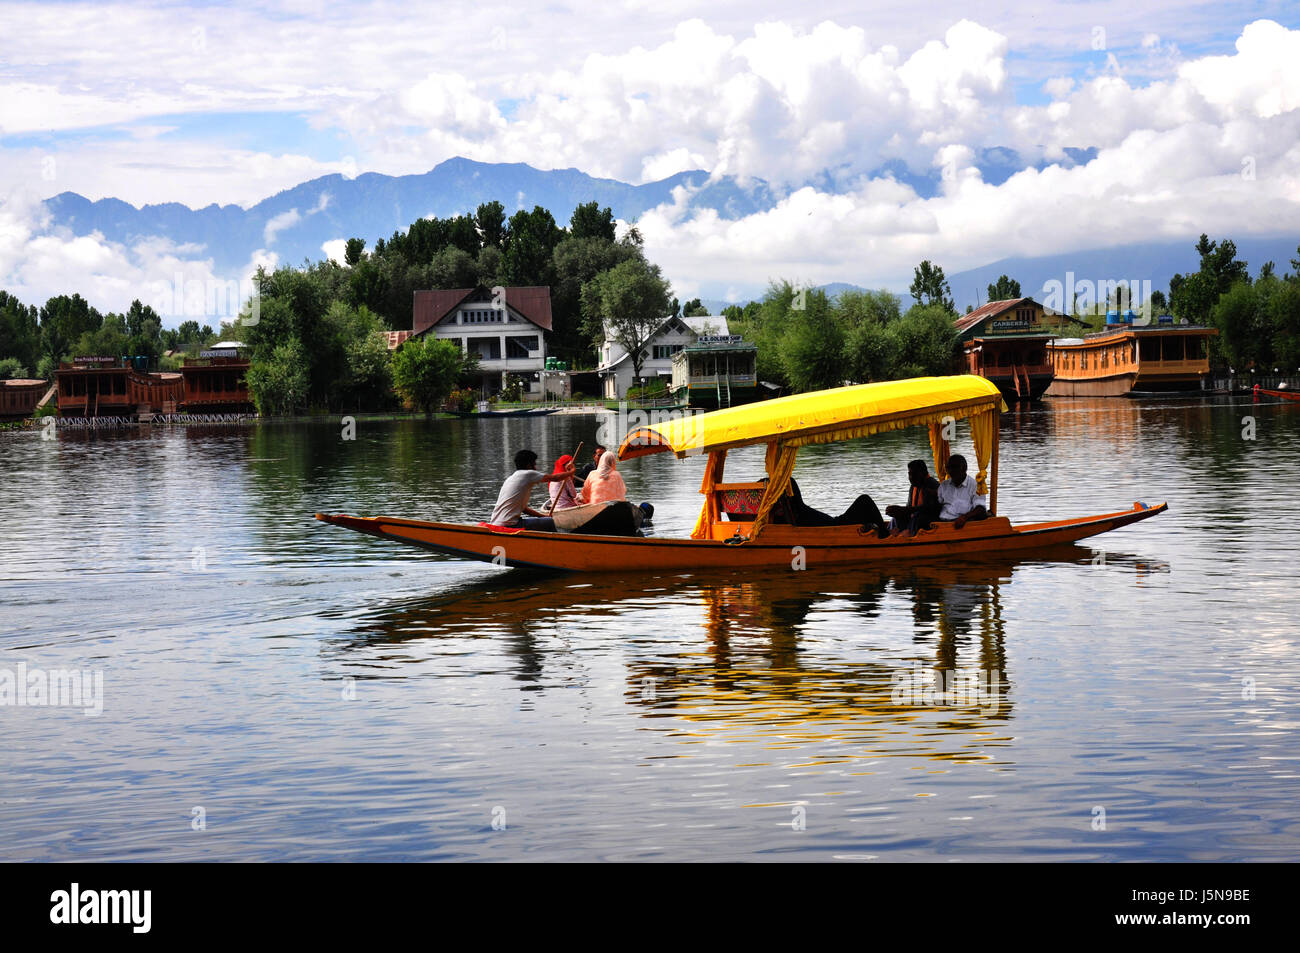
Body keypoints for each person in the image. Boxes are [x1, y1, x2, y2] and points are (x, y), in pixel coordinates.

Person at [487, 449, 575, 530]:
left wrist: (543, 516)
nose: (536, 468)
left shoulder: (511, 478)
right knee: (550, 522)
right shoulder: (528, 474)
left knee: (546, 520)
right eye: (535, 464)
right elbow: (554, 478)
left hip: (496, 523)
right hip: (510, 525)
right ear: (529, 465)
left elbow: (524, 509)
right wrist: (571, 472)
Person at [885, 459, 941, 536]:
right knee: (896, 517)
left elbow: (927, 508)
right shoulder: (913, 487)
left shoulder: (932, 485)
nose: (911, 477)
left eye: (914, 474)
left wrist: (903, 509)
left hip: (931, 523)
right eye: (909, 474)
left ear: (924, 473)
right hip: (915, 521)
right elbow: (909, 508)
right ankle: (891, 534)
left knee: (918, 516)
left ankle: (905, 535)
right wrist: (898, 512)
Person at [936, 453, 988, 529]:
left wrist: (965, 517)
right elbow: (938, 503)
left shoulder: (975, 485)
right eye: (949, 468)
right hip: (941, 523)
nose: (952, 471)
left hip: (962, 526)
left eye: (955, 467)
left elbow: (980, 508)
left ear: (964, 468)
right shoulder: (944, 485)